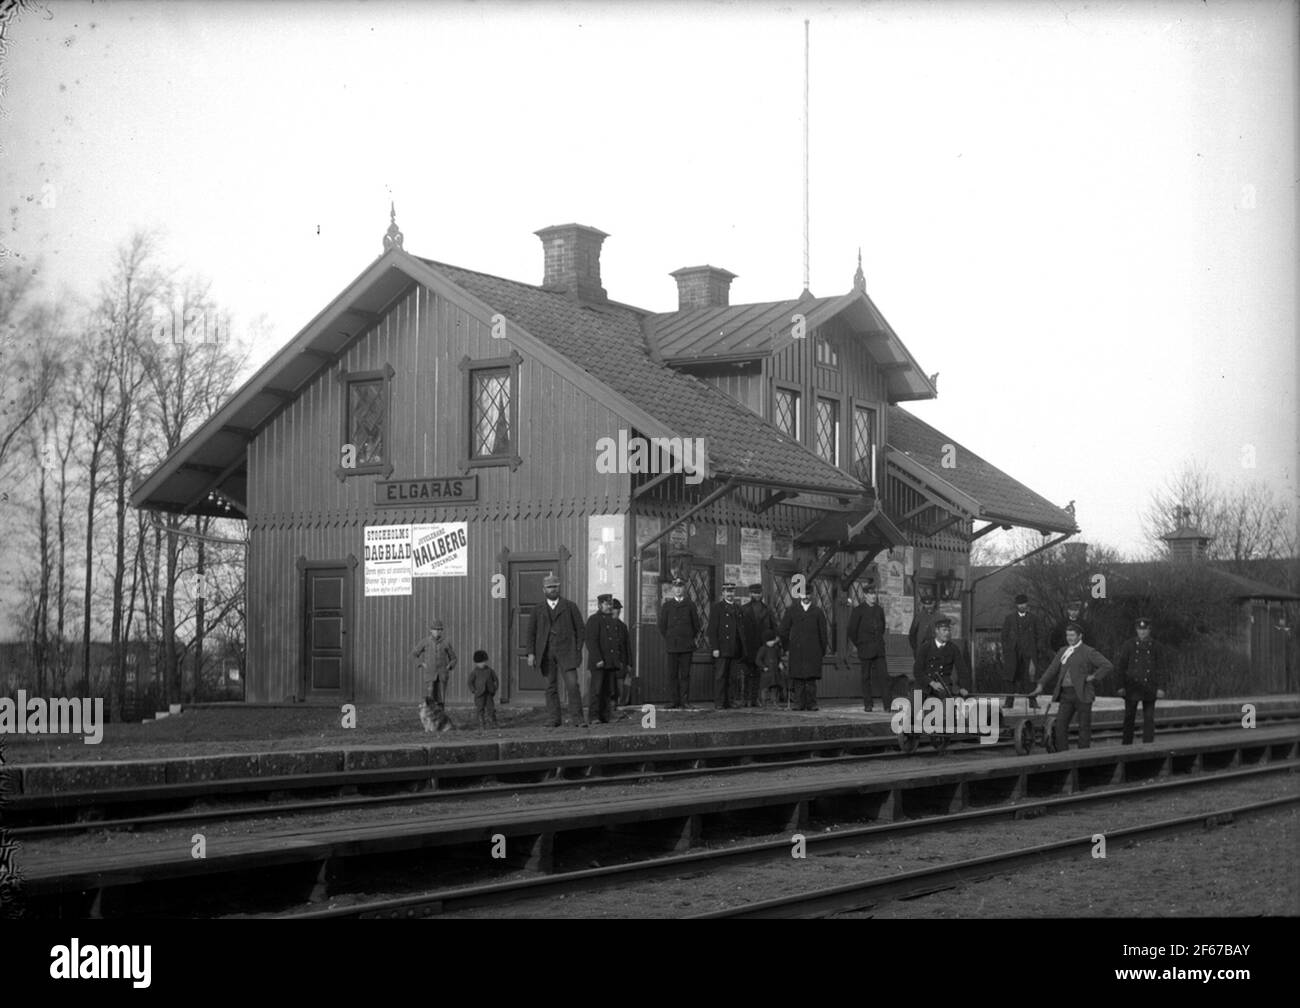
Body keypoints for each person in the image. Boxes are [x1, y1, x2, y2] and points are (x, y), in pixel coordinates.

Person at [1029, 621, 1114, 750]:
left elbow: (1107, 665)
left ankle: (1082, 758)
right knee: (1060, 726)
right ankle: (1064, 756)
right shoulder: (1063, 651)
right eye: (1068, 635)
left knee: (1084, 727)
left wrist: (1093, 677)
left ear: (1080, 636)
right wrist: (1041, 684)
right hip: (1066, 695)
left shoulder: (1088, 651)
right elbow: (1052, 669)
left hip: (1083, 694)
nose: (1069, 638)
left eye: (1072, 635)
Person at [527, 572, 588, 728]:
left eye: (555, 586)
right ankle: (554, 719)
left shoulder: (570, 606)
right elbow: (531, 633)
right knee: (550, 687)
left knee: (573, 686)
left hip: (567, 653)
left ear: (559, 587)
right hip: (546, 654)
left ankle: (578, 719)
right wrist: (531, 653)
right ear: (543, 590)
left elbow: (581, 630)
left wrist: (577, 649)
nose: (552, 589)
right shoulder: (537, 610)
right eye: (549, 587)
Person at [1114, 617, 1167, 744]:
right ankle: (1126, 745)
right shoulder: (1129, 645)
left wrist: (1161, 687)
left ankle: (1148, 745)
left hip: (1149, 686)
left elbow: (1162, 668)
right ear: (1136, 630)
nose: (1142, 632)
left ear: (1149, 630)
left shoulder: (1156, 646)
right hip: (1132, 687)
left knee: (1149, 718)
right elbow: (1121, 667)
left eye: (1145, 629)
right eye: (1140, 629)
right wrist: (1120, 686)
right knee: (1129, 717)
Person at [779, 590, 829, 711]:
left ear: (812, 595)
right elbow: (783, 630)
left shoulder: (817, 612)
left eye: (808, 594)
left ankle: (812, 703)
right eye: (803, 594)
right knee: (798, 677)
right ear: (799, 595)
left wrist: (822, 650)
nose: (806, 597)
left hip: (813, 650)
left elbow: (823, 633)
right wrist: (787, 647)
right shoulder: (792, 610)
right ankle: (799, 703)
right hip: (797, 649)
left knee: (811, 679)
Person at [658, 576, 701, 709]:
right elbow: (662, 626)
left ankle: (684, 701)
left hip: (686, 646)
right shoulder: (667, 606)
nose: (678, 589)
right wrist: (671, 638)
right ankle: (673, 701)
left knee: (685, 674)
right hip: (672, 646)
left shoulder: (690, 605)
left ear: (684, 588)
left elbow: (696, 626)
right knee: (672, 674)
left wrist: (687, 637)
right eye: (676, 587)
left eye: (680, 587)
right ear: (672, 589)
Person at [1001, 593, 1045, 711]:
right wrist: (1007, 650)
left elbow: (1040, 635)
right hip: (1013, 654)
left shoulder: (1034, 618)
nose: (1022, 606)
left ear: (1027, 604)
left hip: (1029, 653)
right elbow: (1004, 636)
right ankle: (1009, 702)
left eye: (1024, 603)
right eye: (1020, 604)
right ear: (1016, 605)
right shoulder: (1009, 619)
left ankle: (1032, 701)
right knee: (1010, 678)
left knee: (1030, 678)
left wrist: (1037, 649)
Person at [411, 618, 457, 731]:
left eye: (440, 630)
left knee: (441, 701)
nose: (438, 632)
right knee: (429, 700)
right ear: (431, 630)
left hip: (442, 675)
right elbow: (413, 654)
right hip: (430, 675)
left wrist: (449, 666)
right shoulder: (425, 642)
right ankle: (429, 724)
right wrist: (421, 664)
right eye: (435, 630)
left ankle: (440, 724)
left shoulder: (446, 643)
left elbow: (454, 658)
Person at [847, 584, 887, 712]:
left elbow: (883, 627)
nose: (873, 596)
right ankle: (868, 704)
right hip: (865, 649)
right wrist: (860, 644)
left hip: (879, 649)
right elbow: (852, 630)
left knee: (883, 676)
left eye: (874, 593)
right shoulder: (858, 610)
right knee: (866, 677)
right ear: (865, 595)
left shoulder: (879, 610)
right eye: (870, 594)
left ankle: (887, 704)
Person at [707, 581, 747, 710]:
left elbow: (741, 630)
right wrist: (715, 648)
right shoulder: (717, 608)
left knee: (733, 677)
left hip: (734, 648)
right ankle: (719, 702)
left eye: (732, 591)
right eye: (727, 591)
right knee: (720, 676)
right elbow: (712, 630)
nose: (730, 594)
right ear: (723, 593)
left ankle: (730, 701)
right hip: (722, 648)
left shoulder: (738, 609)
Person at [584, 594, 623, 724]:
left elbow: (615, 643)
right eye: (606, 604)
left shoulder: (613, 621)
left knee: (608, 690)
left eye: (610, 604)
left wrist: (616, 660)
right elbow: (591, 641)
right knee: (596, 690)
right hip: (599, 662)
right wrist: (597, 659)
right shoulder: (593, 620)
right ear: (600, 605)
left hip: (610, 662)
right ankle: (593, 716)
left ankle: (606, 716)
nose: (609, 607)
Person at [913, 616, 970, 700]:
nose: (947, 633)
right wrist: (931, 683)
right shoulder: (925, 647)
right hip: (925, 683)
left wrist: (963, 687)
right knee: (914, 704)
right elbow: (917, 671)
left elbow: (962, 670)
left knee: (948, 705)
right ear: (937, 631)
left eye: (948, 630)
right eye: (944, 630)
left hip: (943, 684)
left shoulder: (953, 648)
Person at [739, 583, 776, 709]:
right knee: (748, 674)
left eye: (759, 593)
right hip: (748, 647)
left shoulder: (767, 610)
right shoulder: (743, 609)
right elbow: (739, 630)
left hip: (763, 648)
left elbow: (773, 629)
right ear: (750, 594)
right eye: (754, 593)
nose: (757, 595)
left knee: (760, 675)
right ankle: (745, 699)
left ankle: (756, 699)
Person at [610, 598, 633, 716]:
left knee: (620, 684)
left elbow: (627, 645)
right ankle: (612, 703)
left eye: (618, 609)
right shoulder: (605, 624)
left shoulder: (623, 626)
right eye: (615, 609)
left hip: (621, 661)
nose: (617, 611)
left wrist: (629, 663)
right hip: (609, 662)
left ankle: (619, 703)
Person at [467, 649, 499, 730]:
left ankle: (493, 722)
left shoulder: (489, 670)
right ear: (476, 663)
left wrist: (494, 688)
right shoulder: (474, 672)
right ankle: (481, 724)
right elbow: (470, 682)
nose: (483, 664)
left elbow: (495, 680)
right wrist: (474, 690)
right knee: (480, 709)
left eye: (484, 661)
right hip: (479, 694)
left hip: (489, 693)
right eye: (480, 662)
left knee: (491, 708)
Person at [756, 633, 785, 706]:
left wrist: (780, 664)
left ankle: (774, 701)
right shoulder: (763, 649)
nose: (773, 642)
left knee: (774, 687)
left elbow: (778, 658)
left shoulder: (776, 649)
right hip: (767, 673)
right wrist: (764, 667)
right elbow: (758, 660)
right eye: (771, 641)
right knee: (765, 688)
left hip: (775, 672)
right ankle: (763, 701)